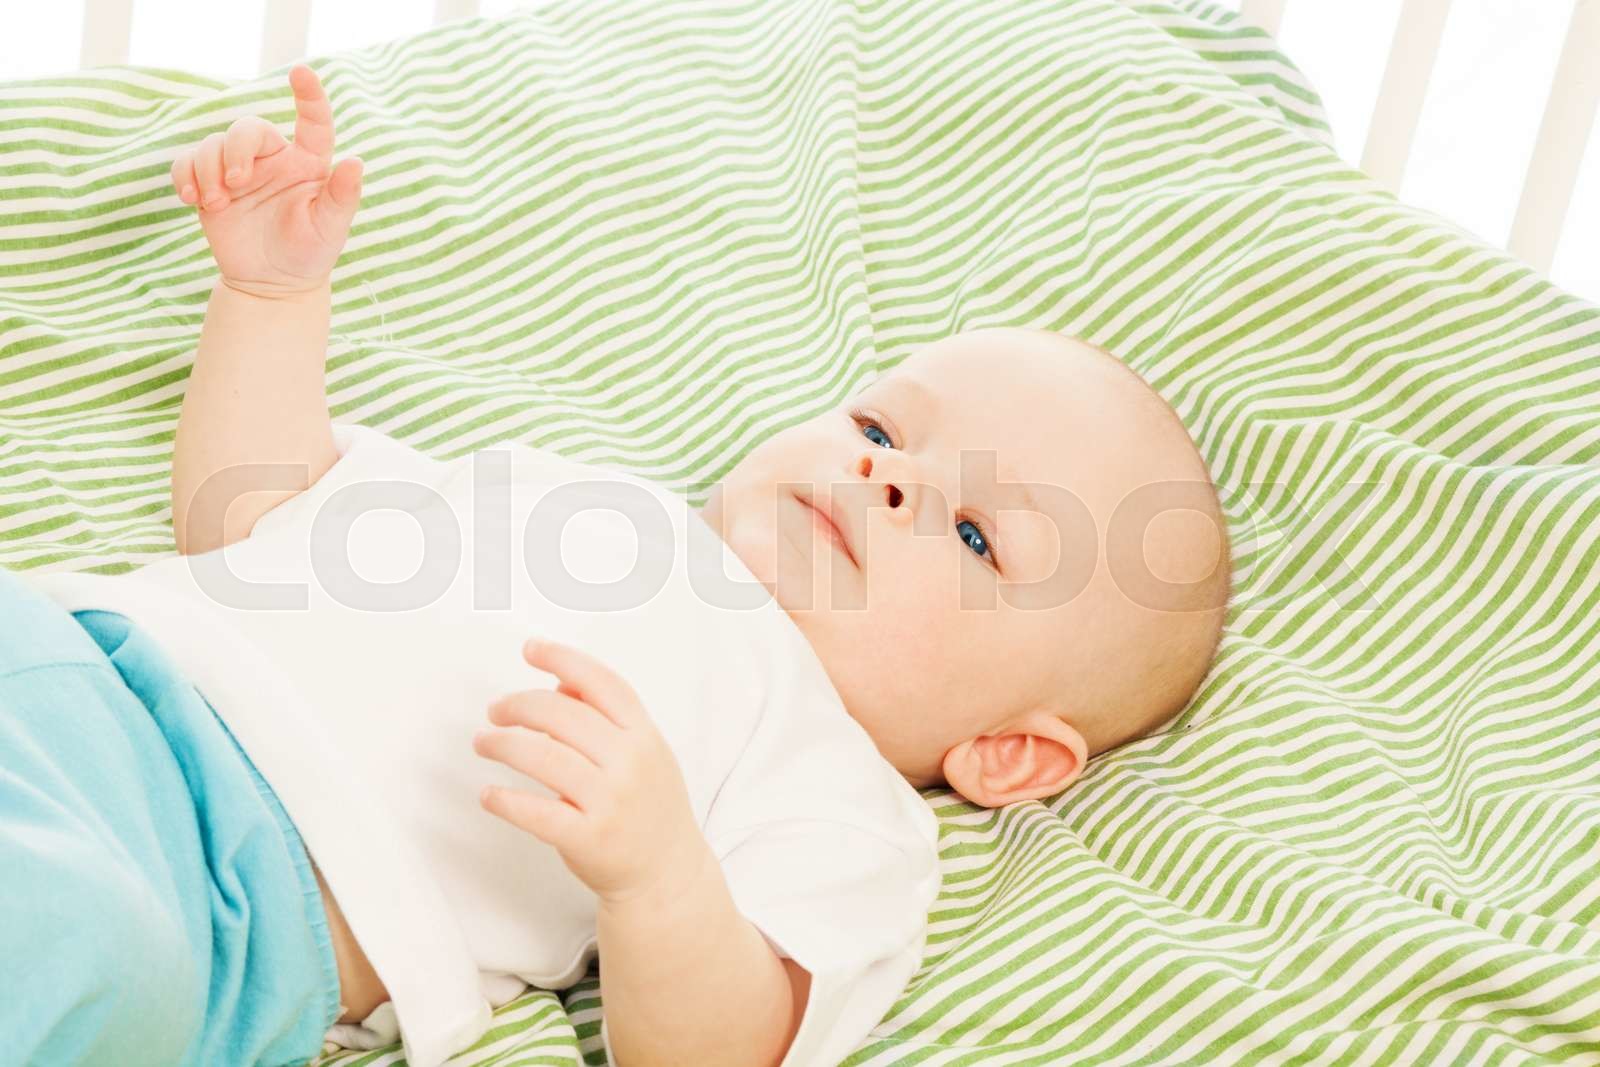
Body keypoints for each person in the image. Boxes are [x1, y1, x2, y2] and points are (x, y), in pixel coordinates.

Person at [7, 62, 1229, 1067]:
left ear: (1005, 751)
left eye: (973, 534)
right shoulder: (583, 502)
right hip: (83, 667)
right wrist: (272, 297)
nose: (887, 475)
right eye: (879, 426)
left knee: (81, 942)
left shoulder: (838, 796)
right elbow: (251, 519)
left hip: (223, 899)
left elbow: (717, 1048)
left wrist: (656, 873)